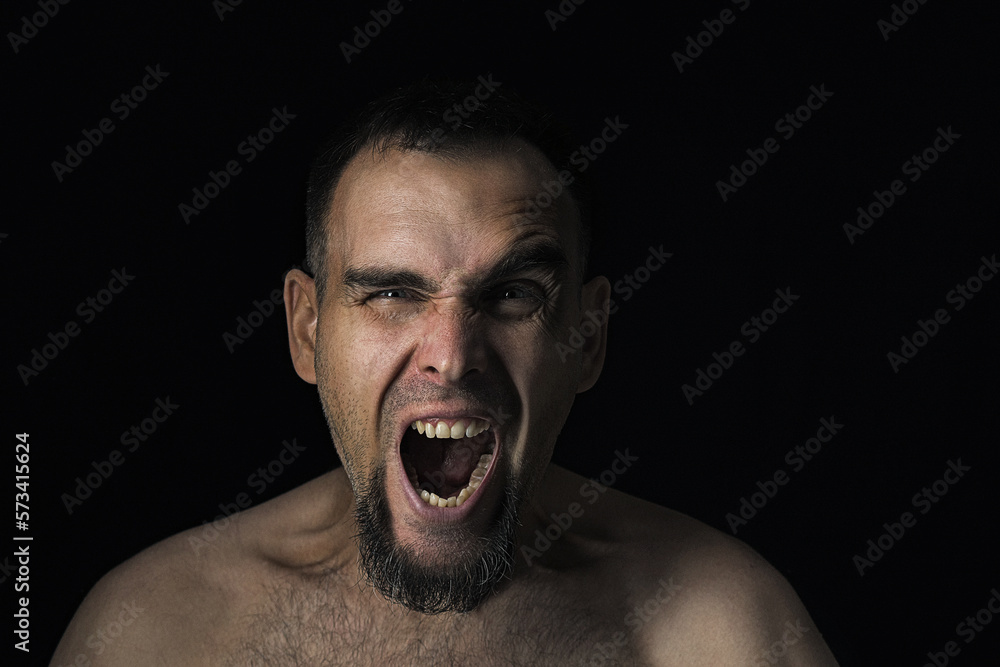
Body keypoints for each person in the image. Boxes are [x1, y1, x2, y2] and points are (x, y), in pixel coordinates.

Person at [51, 80, 840, 666]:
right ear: (307, 329)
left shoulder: (722, 630)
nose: (452, 353)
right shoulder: (157, 631)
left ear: (588, 337)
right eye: (393, 293)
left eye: (513, 293)